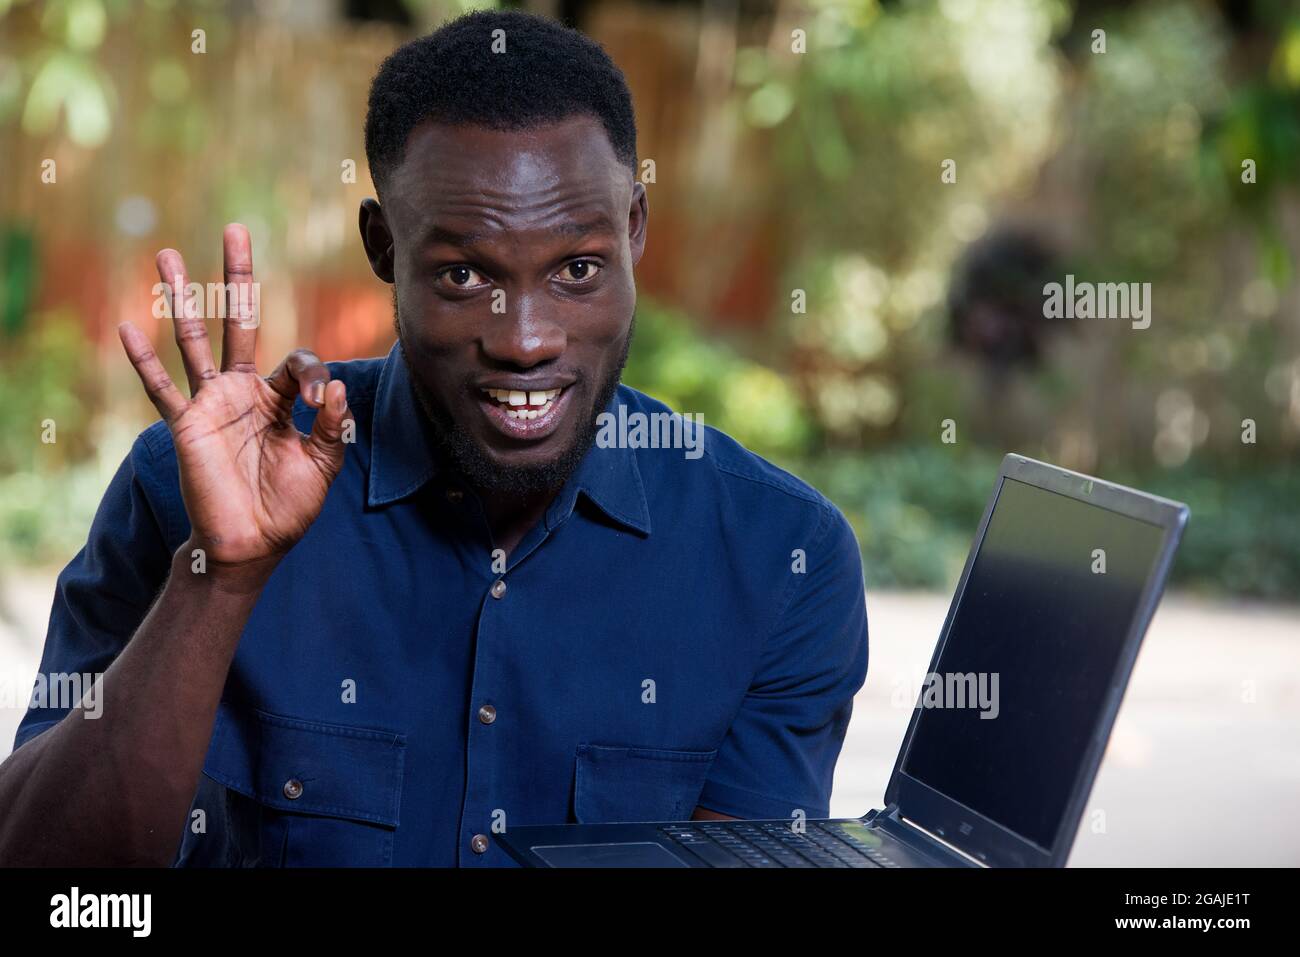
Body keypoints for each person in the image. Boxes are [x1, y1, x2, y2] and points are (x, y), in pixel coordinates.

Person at [0, 9, 868, 867]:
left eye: (577, 269)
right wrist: (218, 582)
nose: (525, 338)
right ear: (384, 248)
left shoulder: (782, 558)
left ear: (635, 230)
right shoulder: (181, 496)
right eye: (463, 273)